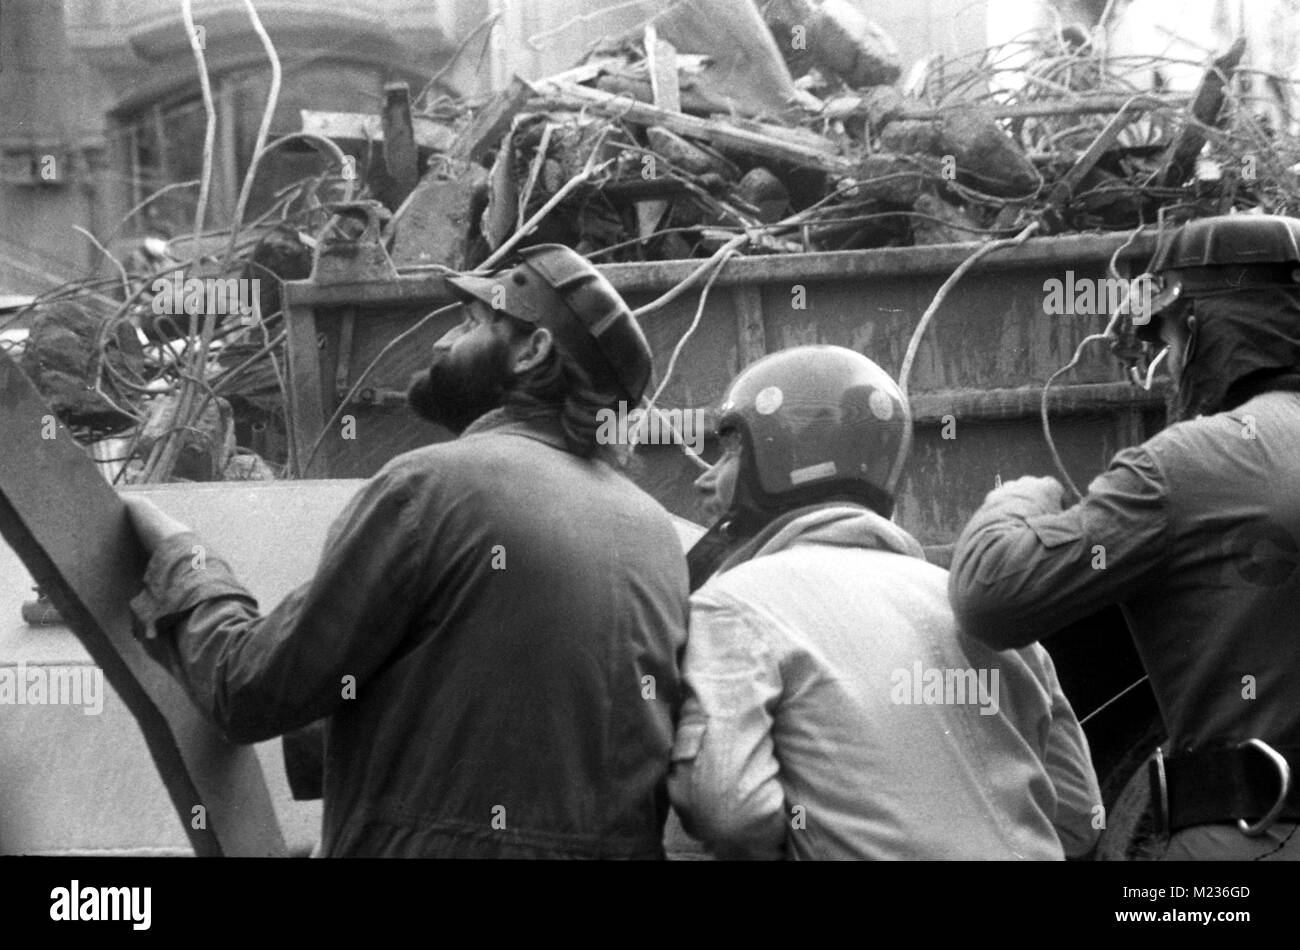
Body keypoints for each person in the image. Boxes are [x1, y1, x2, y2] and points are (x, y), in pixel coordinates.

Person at [124, 244, 689, 858]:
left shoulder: (432, 486)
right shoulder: (654, 531)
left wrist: (184, 561)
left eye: (473, 322)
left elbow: (249, 689)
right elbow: (496, 714)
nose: (445, 340)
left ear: (533, 352)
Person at [948, 214, 1300, 860]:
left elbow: (989, 592)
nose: (1162, 373)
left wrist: (1023, 497)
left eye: (1162, 337)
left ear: (1199, 332)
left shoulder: (1186, 466)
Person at [667, 345, 1101, 860]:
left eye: (731, 452)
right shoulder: (977, 607)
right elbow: (1078, 819)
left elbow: (730, 810)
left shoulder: (733, 607)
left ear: (784, 461)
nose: (705, 478)